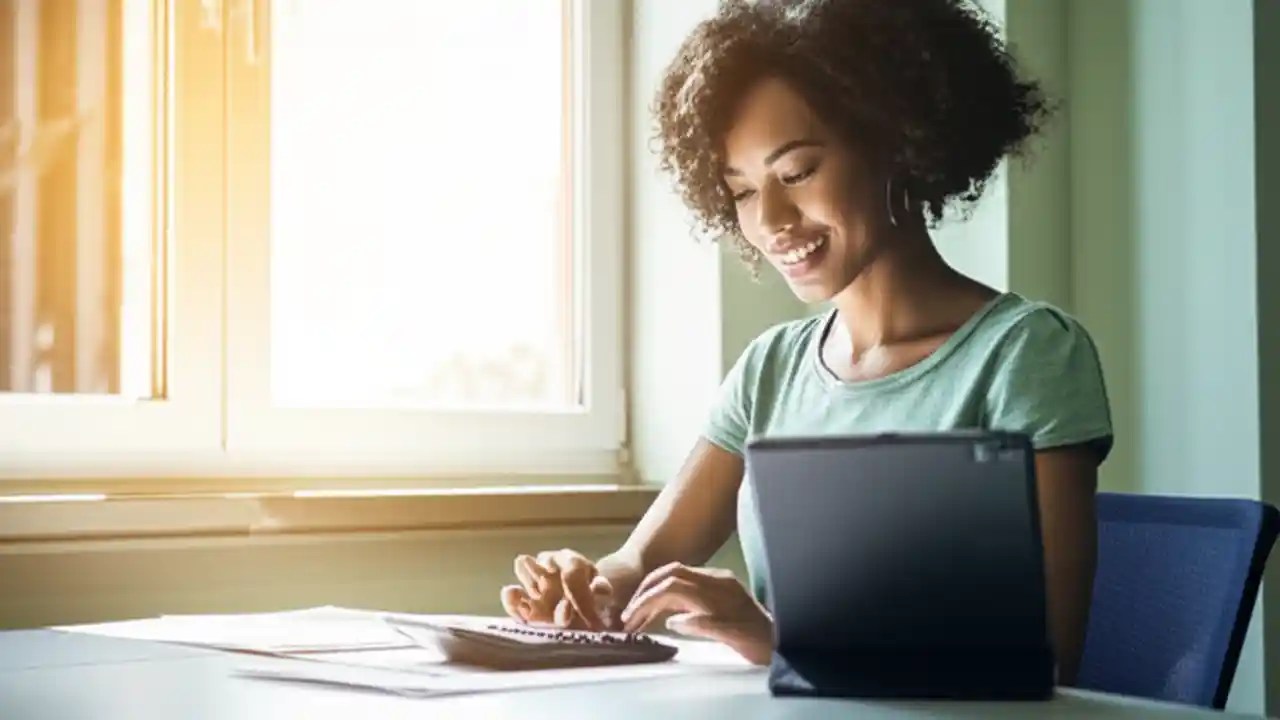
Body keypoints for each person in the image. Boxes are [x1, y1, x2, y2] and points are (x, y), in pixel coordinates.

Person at [499, 0, 1112, 685]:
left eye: (796, 174)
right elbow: (642, 562)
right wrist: (589, 590)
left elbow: (1046, 658)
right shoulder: (772, 368)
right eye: (741, 191)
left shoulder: (1027, 356)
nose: (771, 219)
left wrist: (779, 640)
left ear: (895, 144)